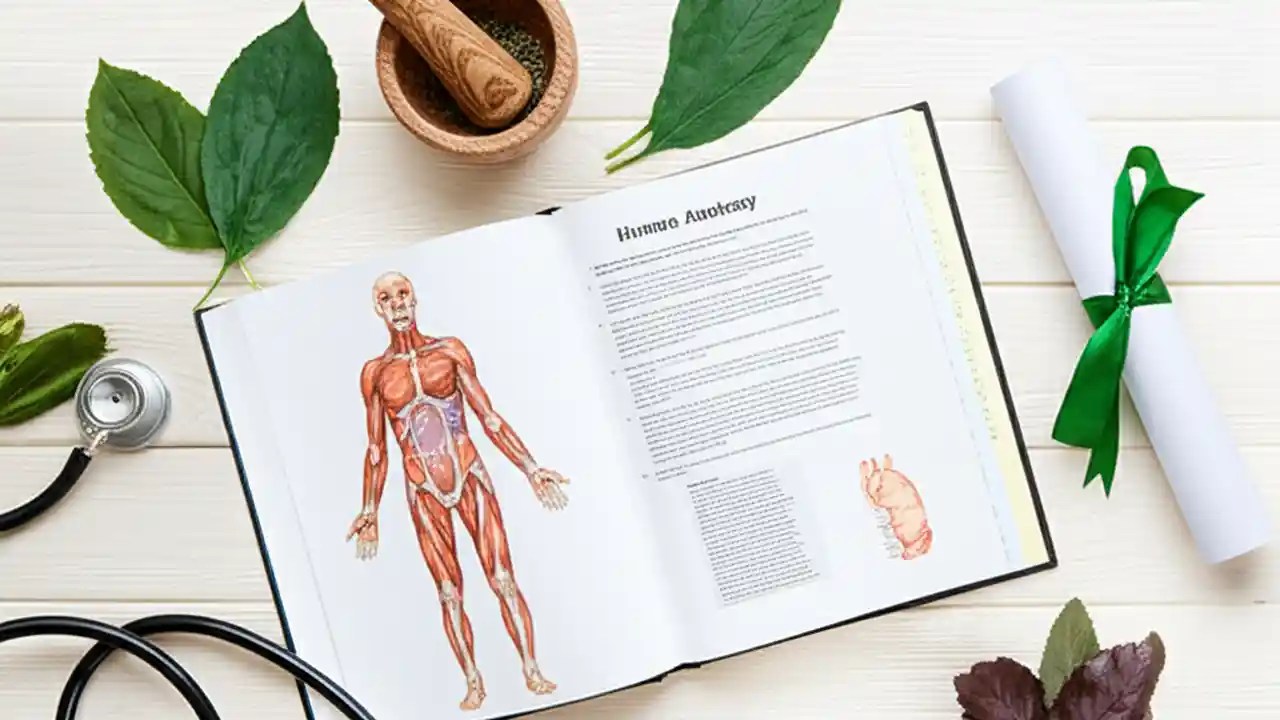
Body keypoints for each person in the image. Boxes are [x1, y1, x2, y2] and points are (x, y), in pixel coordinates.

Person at [346, 271, 570, 711]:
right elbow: (377, 448)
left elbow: (488, 417)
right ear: (377, 308)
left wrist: (530, 467)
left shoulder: (448, 351)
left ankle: (531, 670)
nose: (397, 303)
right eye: (386, 297)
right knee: (449, 592)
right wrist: (369, 507)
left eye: (403, 293)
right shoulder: (376, 373)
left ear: (415, 298)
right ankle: (473, 681)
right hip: (422, 488)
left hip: (469, 474)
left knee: (502, 579)